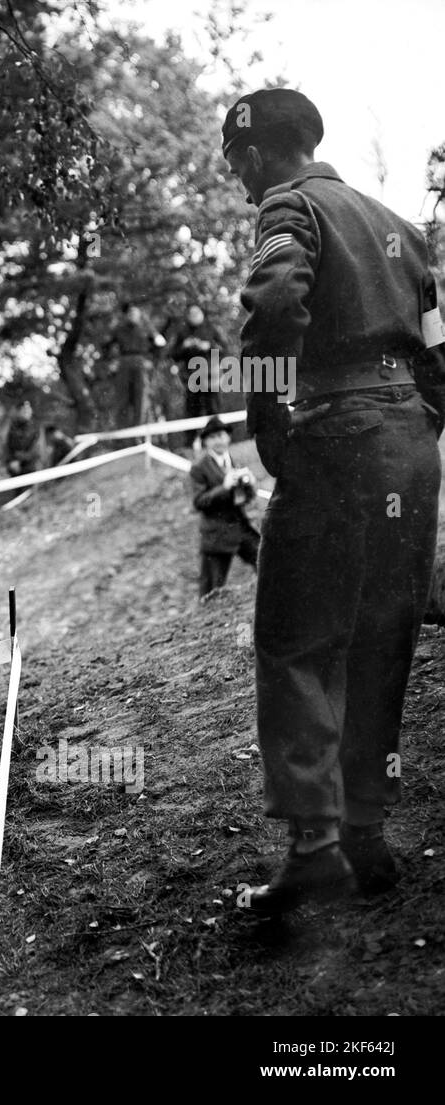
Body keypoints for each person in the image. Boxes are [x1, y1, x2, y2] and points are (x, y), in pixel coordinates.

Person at [222, 87, 445, 913]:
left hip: (338, 434)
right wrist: (421, 427)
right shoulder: (402, 226)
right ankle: (367, 835)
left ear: (256, 153)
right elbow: (438, 347)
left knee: (296, 641)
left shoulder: (289, 206)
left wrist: (268, 414)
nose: (241, 181)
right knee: (382, 635)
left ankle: (316, 849)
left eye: (237, 162)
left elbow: (275, 303)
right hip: (409, 445)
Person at [189, 415, 259, 597]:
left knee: (266, 562)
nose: (218, 441)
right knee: (210, 591)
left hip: (240, 527)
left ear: (228, 437)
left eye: (220, 435)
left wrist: (250, 484)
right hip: (216, 535)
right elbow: (198, 502)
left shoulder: (234, 460)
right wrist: (224, 487)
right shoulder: (199, 467)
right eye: (212, 437)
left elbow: (245, 498)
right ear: (205, 442)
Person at [167, 304, 229, 446]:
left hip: (211, 376)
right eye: (191, 313)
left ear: (202, 314)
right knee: (192, 410)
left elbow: (225, 348)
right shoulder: (183, 332)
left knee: (213, 409)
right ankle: (190, 443)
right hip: (192, 377)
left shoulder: (211, 329)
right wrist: (184, 346)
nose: (194, 315)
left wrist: (209, 346)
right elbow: (173, 355)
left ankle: (218, 440)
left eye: (197, 312)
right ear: (187, 316)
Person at [102, 303, 165, 428]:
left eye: (135, 313)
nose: (132, 315)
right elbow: (105, 345)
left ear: (140, 315)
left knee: (141, 398)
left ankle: (139, 429)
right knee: (122, 398)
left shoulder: (147, 329)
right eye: (130, 313)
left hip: (142, 363)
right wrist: (111, 362)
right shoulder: (118, 329)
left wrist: (152, 362)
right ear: (126, 315)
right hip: (124, 363)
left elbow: (160, 345)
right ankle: (122, 430)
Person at [1, 399, 44, 476]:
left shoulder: (36, 427)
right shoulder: (12, 427)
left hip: (31, 468)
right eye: (23, 409)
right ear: (18, 411)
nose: (26, 411)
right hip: (14, 469)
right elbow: (7, 446)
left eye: (28, 409)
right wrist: (11, 461)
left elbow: (37, 449)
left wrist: (20, 460)